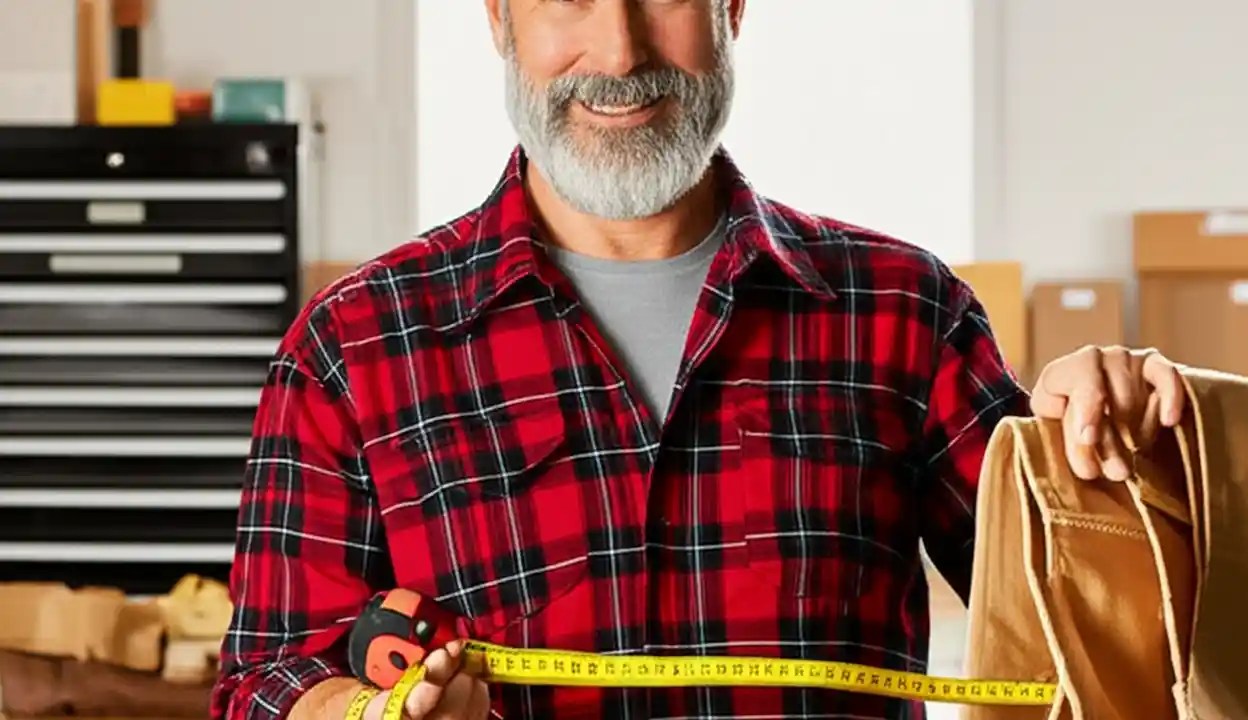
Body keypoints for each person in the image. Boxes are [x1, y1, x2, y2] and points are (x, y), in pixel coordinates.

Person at [211, 1, 1187, 718]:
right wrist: (364, 715)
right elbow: (263, 683)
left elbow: (1094, 633)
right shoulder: (352, 346)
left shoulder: (904, 313)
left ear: (730, 9)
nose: (621, 49)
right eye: (567, 1)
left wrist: (1119, 461)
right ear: (499, 19)